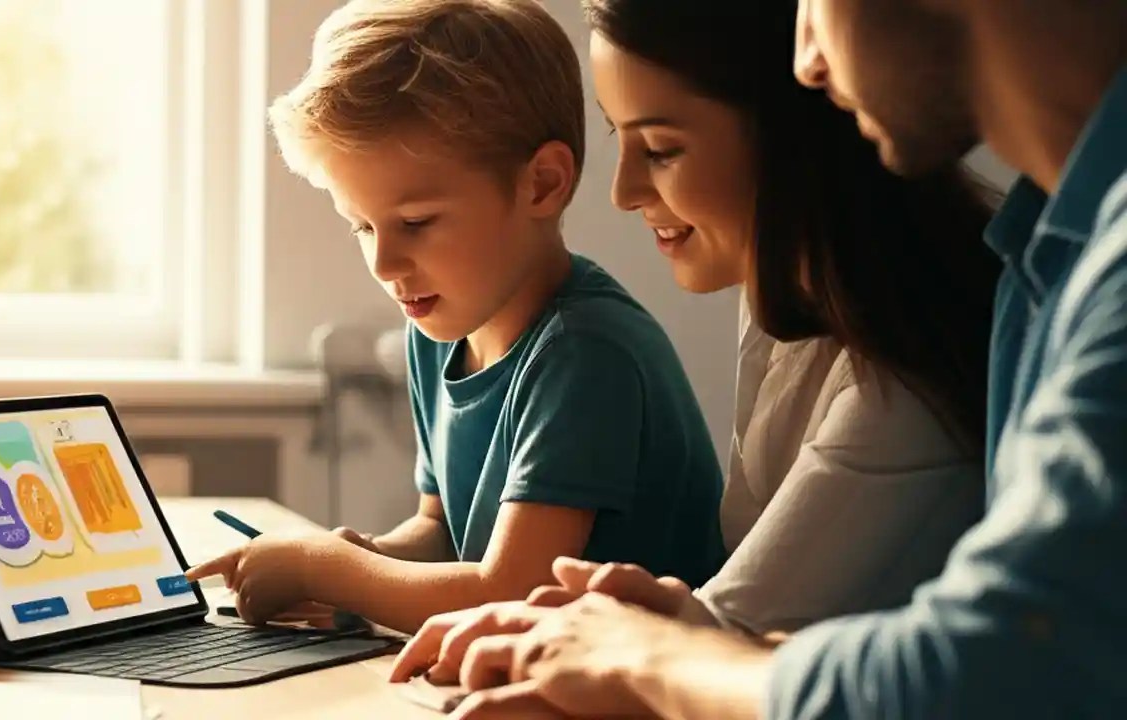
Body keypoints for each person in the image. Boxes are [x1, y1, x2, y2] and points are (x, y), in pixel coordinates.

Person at [393, 0, 1127, 717]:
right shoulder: (1041, 256)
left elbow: (990, 668)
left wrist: (652, 656)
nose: (808, 61)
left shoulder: (1074, 286)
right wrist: (676, 632)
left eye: (662, 147)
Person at [184, 0, 725, 635]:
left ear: (542, 185)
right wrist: (368, 559)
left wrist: (322, 567)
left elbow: (511, 590)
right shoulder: (437, 333)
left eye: (415, 223)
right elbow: (441, 533)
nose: (385, 262)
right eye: (361, 224)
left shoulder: (585, 352)